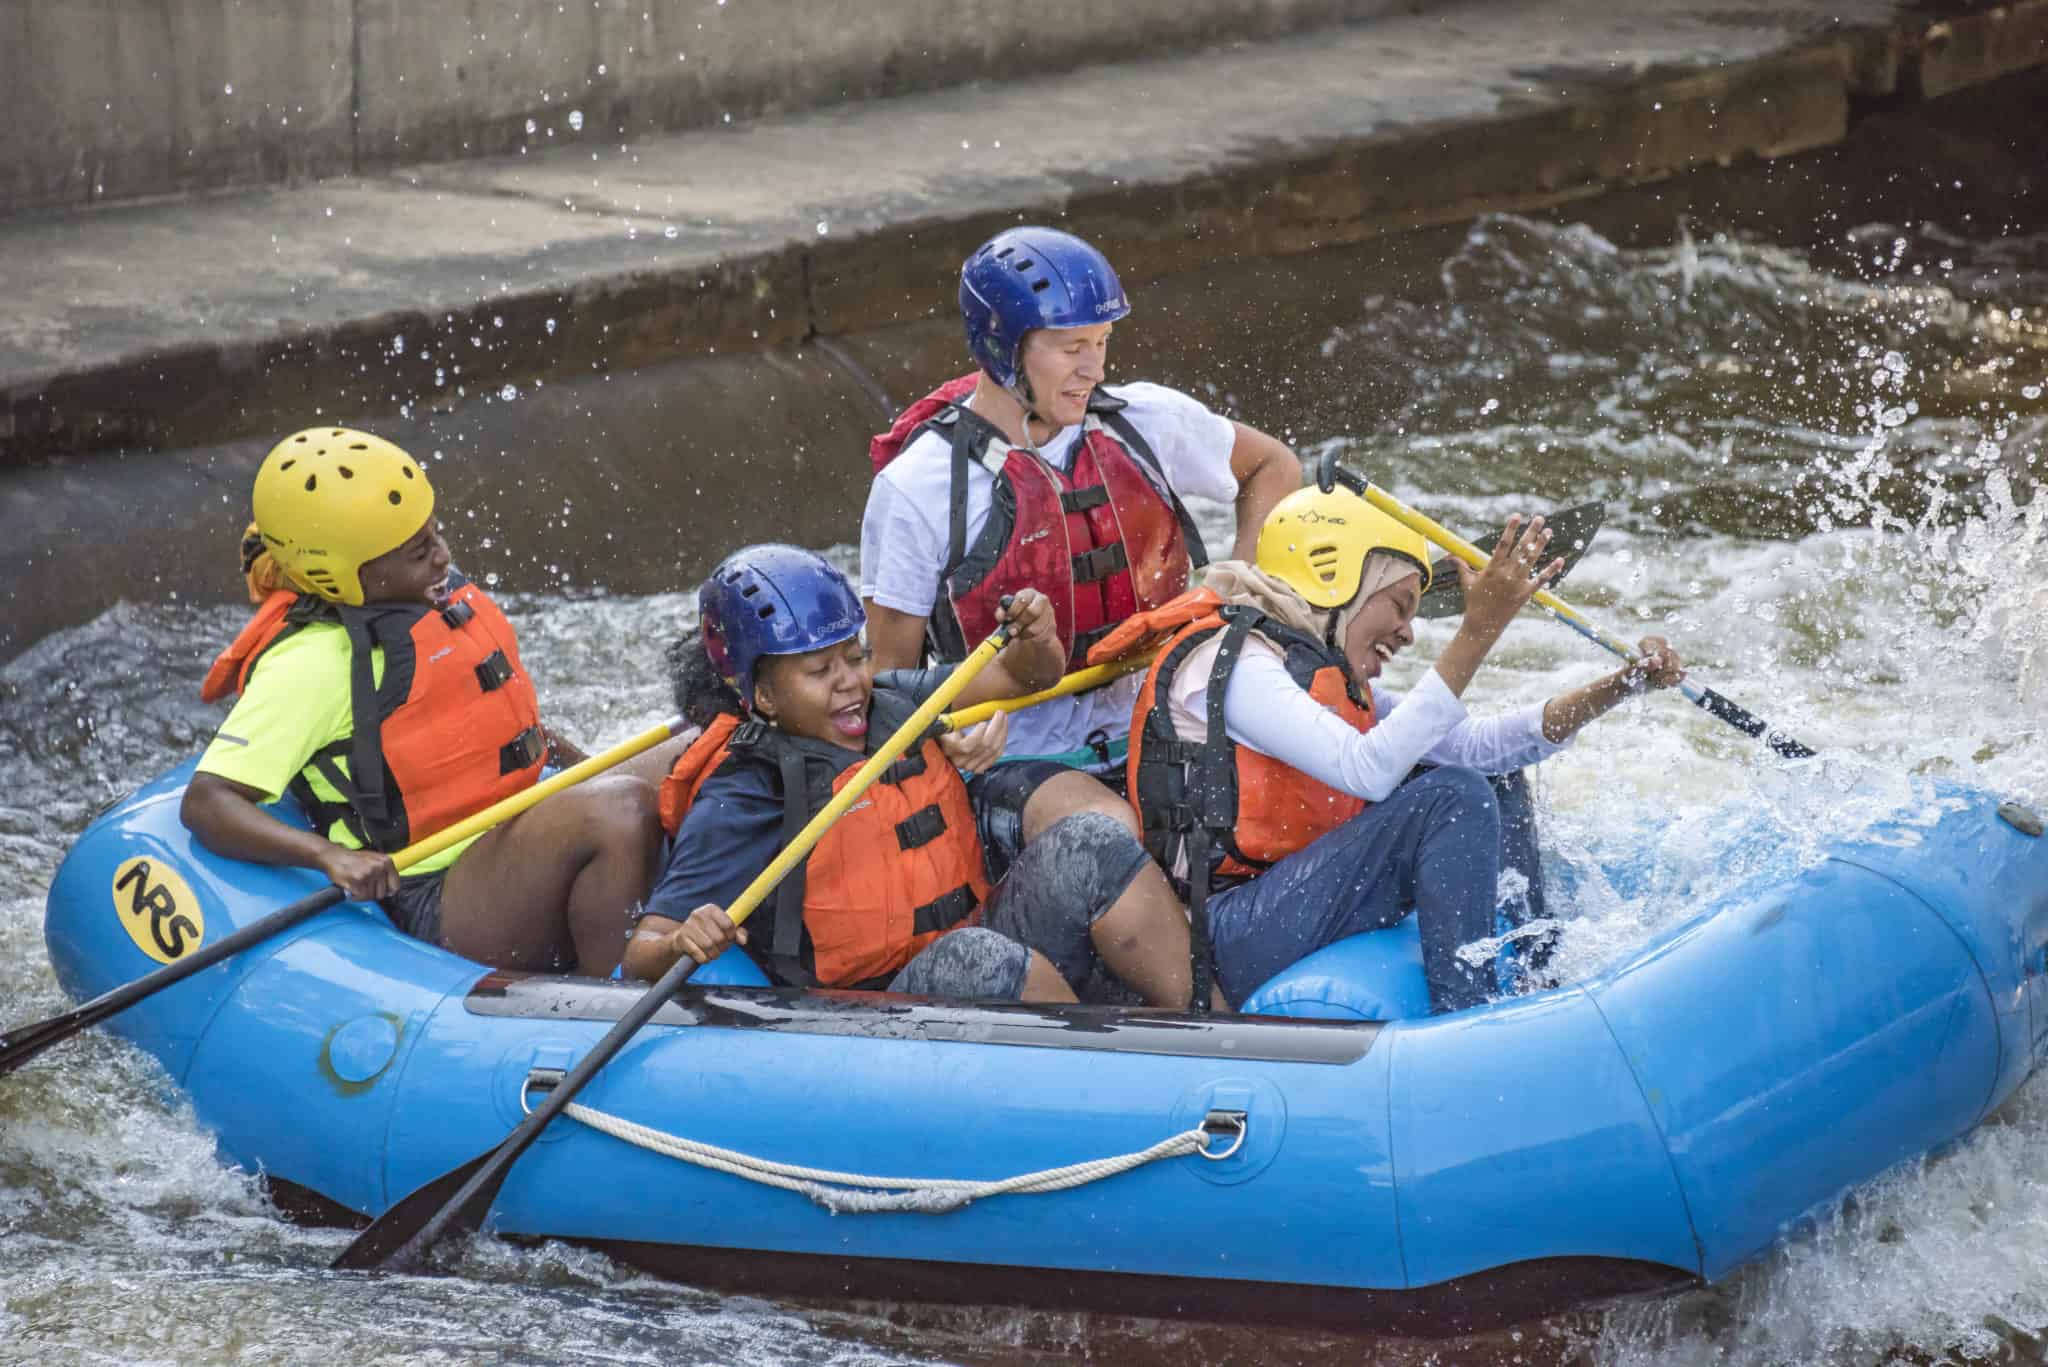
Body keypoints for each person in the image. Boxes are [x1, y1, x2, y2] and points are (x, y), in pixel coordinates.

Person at [1091, 484, 1686, 1013]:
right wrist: (1478, 630)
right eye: (1400, 605)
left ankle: (1540, 979)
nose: (1408, 632)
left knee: (1490, 780)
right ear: (1333, 579)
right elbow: (1367, 771)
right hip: (1226, 931)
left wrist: (1621, 686)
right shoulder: (1236, 664)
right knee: (1452, 797)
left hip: (1286, 898)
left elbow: (1480, 746)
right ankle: (1469, 1018)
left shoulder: (1322, 675)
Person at [859, 225, 1302, 882]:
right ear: (1004, 349)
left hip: (1162, 722)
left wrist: (1239, 581)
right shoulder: (919, 487)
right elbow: (886, 682)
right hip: (1016, 761)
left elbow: (1273, 466)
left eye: (1102, 343)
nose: (1094, 369)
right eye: (1072, 348)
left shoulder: (1144, 421)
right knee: (1107, 832)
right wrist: (945, 732)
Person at [621, 545, 1225, 1009]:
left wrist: (1037, 636)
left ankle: (1217, 1030)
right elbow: (644, 950)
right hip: (867, 1012)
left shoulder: (896, 703)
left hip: (979, 937)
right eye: (819, 671)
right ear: (763, 695)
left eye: (854, 656)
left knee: (1091, 841)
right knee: (976, 957)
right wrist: (681, 941)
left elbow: (1027, 676)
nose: (849, 682)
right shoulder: (746, 793)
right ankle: (1110, 1083)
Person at [182, 427, 679, 976]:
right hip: (439, 890)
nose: (443, 556)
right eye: (420, 552)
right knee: (621, 808)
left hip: (513, 824)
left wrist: (592, 771)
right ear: (350, 575)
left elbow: (503, 731)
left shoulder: (430, 601)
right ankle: (619, 991)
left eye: (435, 534)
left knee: (695, 749)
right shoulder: (312, 664)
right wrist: (331, 857)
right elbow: (207, 802)